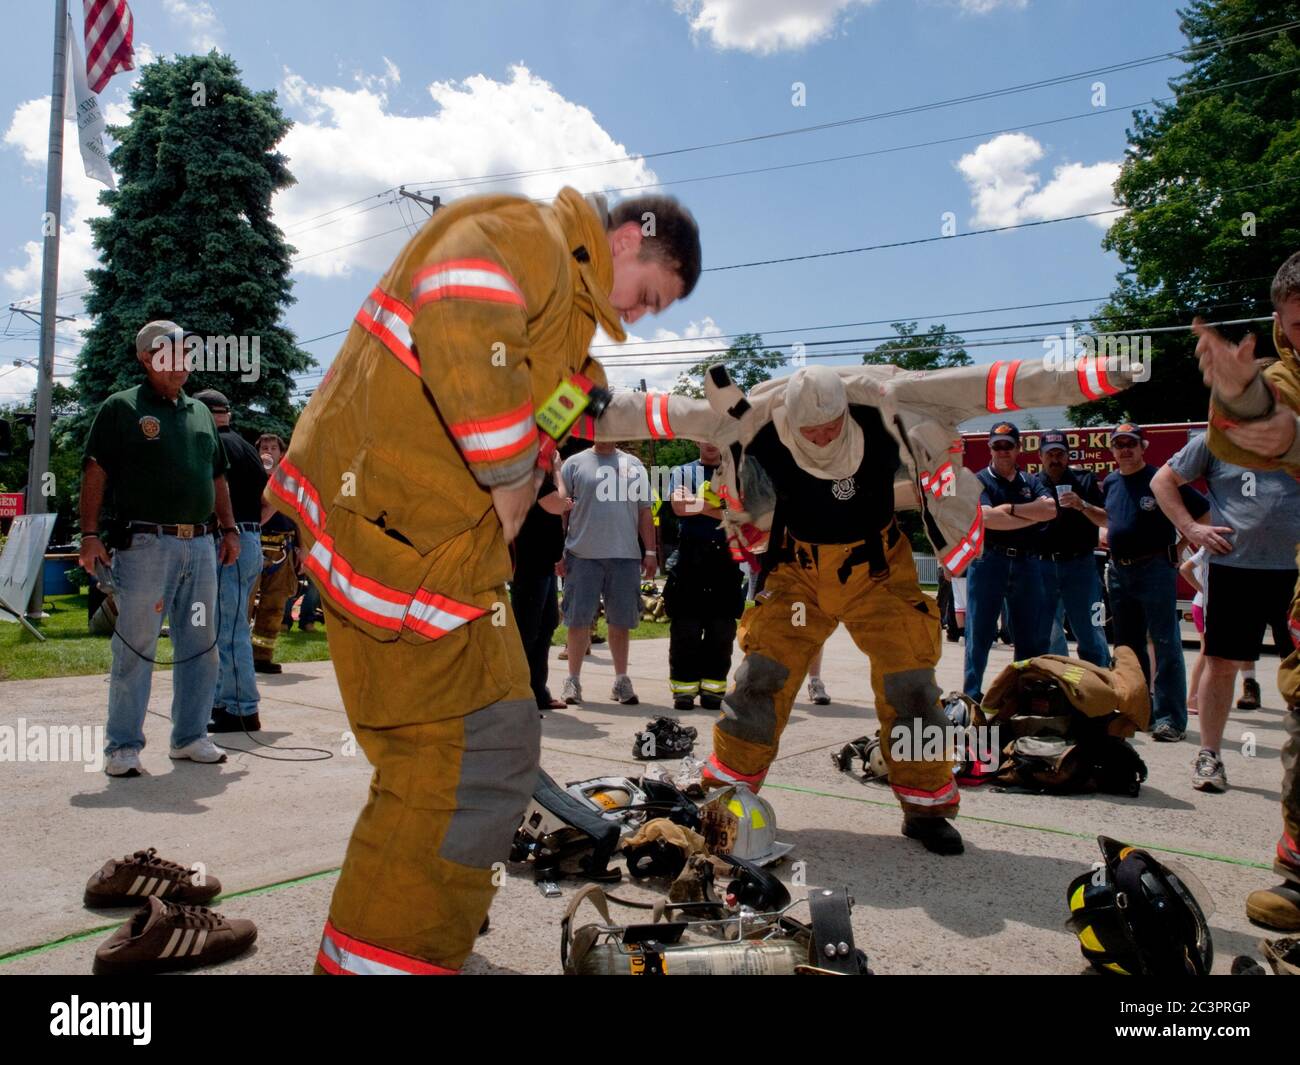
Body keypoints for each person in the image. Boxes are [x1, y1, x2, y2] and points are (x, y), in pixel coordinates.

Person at [265, 187, 700, 974]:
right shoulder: (525, 235)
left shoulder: (576, 337)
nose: (639, 314)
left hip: (451, 562)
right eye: (650, 294)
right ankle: (384, 960)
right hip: (394, 542)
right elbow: (463, 298)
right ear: (632, 240)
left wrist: (589, 422)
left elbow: (558, 417)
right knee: (445, 765)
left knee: (501, 736)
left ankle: (428, 936)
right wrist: (509, 481)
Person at [77, 320, 239, 776]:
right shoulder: (121, 408)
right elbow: (95, 470)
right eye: (172, 353)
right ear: (147, 358)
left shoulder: (201, 412)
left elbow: (217, 477)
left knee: (201, 643)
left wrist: (229, 530)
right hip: (145, 545)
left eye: (188, 354)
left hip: (201, 547)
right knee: (137, 647)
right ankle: (122, 747)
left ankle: (189, 737)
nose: (183, 362)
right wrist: (89, 535)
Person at [1153, 431, 1300, 790]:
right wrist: (1190, 529)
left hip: (1294, 571)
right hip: (1234, 569)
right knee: (1220, 664)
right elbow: (1163, 481)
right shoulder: (1217, 438)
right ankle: (1209, 756)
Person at [1102, 422, 1207, 743]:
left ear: (1143, 447)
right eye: (1119, 444)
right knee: (1128, 648)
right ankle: (1138, 711)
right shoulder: (1109, 482)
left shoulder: (1160, 479)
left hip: (1155, 568)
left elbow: (1204, 513)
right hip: (1120, 572)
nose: (1125, 449)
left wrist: (1178, 548)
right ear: (1113, 450)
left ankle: (1170, 719)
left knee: (1165, 643)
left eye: (1131, 443)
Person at [962, 421, 1057, 701]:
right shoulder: (978, 481)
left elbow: (1051, 510)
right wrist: (1029, 515)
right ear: (990, 449)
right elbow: (987, 519)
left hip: (1027, 564)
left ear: (1018, 449)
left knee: (1029, 637)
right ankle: (971, 695)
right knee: (979, 633)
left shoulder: (1031, 481)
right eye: (997, 446)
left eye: (1008, 446)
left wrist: (1012, 509)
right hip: (989, 561)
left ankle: (1022, 694)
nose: (1003, 451)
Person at [558, 440, 657, 706]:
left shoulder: (634, 464)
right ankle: (573, 681)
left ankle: (621, 680)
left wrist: (650, 552)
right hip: (582, 556)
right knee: (577, 621)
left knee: (621, 622)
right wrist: (558, 551)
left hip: (625, 555)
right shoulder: (574, 463)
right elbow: (562, 512)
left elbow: (644, 510)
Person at [194, 390, 267, 732]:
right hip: (248, 538)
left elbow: (209, 494)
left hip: (229, 541)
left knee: (229, 626)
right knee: (227, 623)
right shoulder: (248, 448)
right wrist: (251, 530)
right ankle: (226, 703)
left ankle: (241, 708)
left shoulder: (214, 445)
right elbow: (274, 498)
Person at [665, 442, 746, 711]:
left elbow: (740, 513)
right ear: (697, 440)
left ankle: (713, 690)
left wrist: (696, 504)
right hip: (690, 560)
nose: (711, 444)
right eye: (705, 437)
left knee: (721, 631)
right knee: (685, 630)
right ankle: (684, 691)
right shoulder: (682, 472)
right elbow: (678, 508)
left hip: (724, 562)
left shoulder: (737, 475)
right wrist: (718, 505)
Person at [1032, 430, 1110, 667]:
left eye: (1060, 454)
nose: (1055, 459)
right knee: (1048, 632)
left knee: (1090, 630)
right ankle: (1060, 679)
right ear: (1040, 456)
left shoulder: (1085, 480)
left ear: (1068, 456)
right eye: (1050, 454)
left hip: (1080, 565)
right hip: (1042, 565)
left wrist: (1082, 504)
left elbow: (1106, 519)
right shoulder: (1032, 484)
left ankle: (1100, 681)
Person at [510, 451, 570, 710]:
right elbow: (560, 502)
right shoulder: (531, 478)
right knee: (527, 631)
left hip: (543, 564)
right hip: (528, 565)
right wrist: (558, 469)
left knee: (545, 626)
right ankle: (519, 696)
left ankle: (537, 691)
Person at [250, 433, 298, 676]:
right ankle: (236, 655)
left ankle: (262, 656)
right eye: (264, 448)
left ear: (282, 453)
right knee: (244, 605)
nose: (268, 451)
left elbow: (301, 518)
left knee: (275, 606)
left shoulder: (292, 481)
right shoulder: (249, 477)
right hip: (253, 546)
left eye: (273, 448)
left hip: (283, 549)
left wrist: (303, 549)